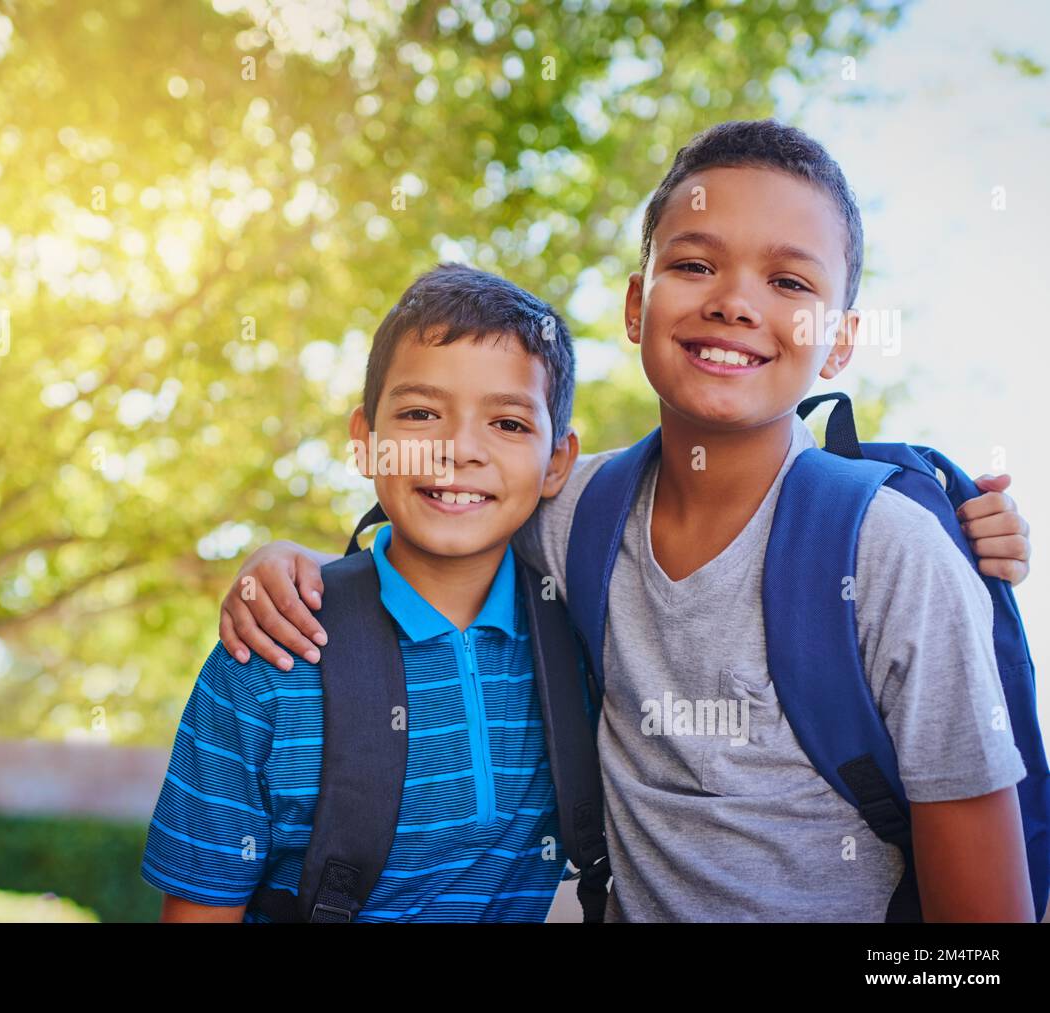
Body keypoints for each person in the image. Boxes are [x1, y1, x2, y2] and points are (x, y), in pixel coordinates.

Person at [218, 120, 1039, 922]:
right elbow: (439, 528)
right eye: (694, 263)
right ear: (636, 305)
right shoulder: (575, 513)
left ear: (838, 343)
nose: (734, 303)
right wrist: (295, 558)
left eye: (789, 283)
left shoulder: (894, 556)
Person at [142, 263, 597, 921]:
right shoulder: (271, 653)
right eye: (420, 412)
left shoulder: (583, 636)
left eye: (509, 423)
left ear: (558, 460)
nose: (458, 449)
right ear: (366, 442)